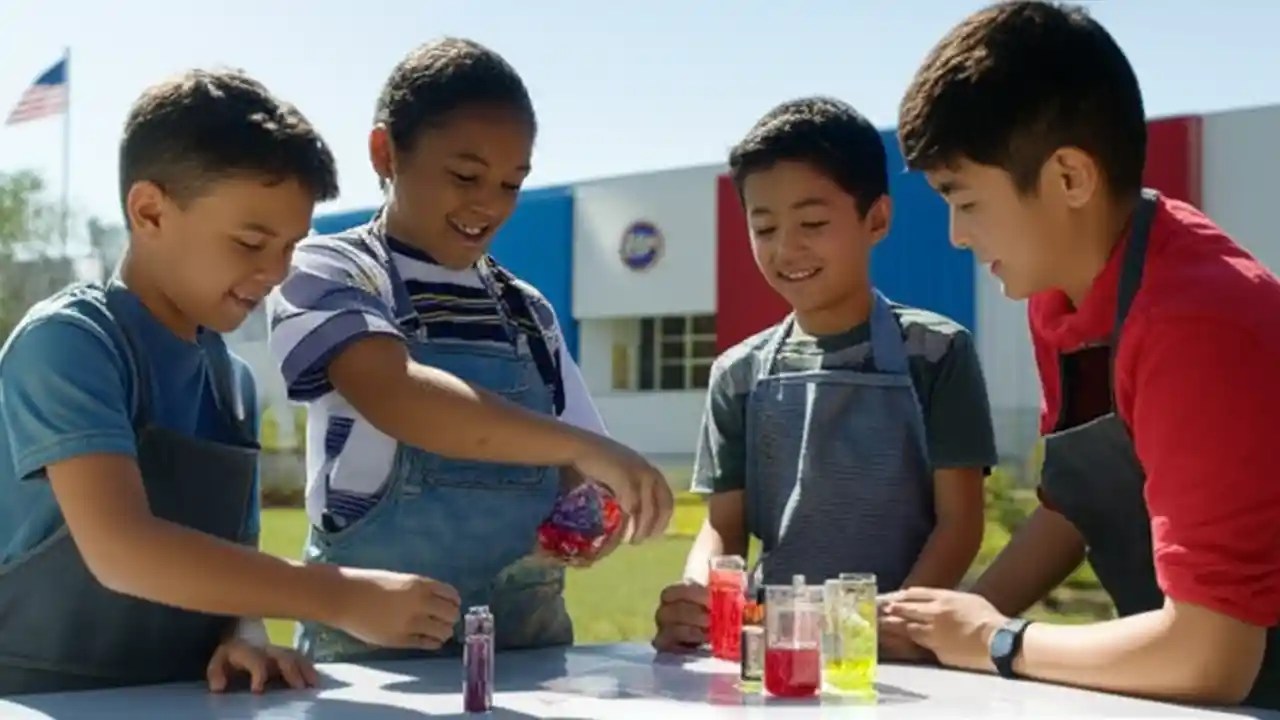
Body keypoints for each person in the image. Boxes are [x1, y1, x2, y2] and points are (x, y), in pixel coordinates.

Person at [0, 69, 480, 696]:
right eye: (251, 241)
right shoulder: (72, 342)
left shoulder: (232, 383)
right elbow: (122, 549)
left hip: (175, 703)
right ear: (149, 211)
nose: (273, 272)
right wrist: (335, 594)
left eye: (290, 246)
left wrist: (244, 636)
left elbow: (232, 569)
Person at [879, 1, 1280, 710]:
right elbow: (1075, 504)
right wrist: (941, 632)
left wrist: (997, 640)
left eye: (964, 200)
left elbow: (1211, 652)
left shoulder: (1200, 323)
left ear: (1069, 178)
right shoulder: (1062, 292)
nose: (956, 237)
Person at [267, 37, 672, 663]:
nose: (490, 204)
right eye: (465, 176)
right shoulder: (332, 269)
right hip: (372, 664)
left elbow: (578, 472)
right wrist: (584, 447)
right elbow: (400, 396)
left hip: (526, 654)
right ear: (386, 152)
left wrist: (592, 513)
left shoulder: (527, 310)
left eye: (513, 183)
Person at [652, 97, 997, 654]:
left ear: (877, 219)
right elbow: (724, 527)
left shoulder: (936, 353)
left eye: (812, 222)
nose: (787, 248)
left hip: (897, 657)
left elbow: (959, 525)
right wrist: (700, 593)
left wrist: (889, 632)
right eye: (764, 227)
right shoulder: (738, 374)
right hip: (772, 649)